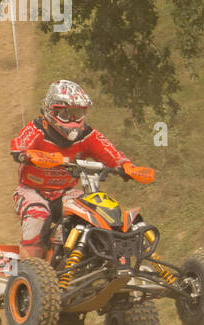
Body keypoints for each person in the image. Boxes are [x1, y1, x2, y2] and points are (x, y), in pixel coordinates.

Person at [9, 80, 140, 259]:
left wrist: (126, 166)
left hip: (65, 192)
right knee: (37, 215)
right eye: (65, 113)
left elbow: (110, 152)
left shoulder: (87, 135)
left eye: (77, 113)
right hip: (32, 191)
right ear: (51, 110)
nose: (72, 120)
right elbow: (19, 145)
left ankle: (88, 258)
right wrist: (26, 154)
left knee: (94, 210)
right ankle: (28, 270)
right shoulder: (37, 129)